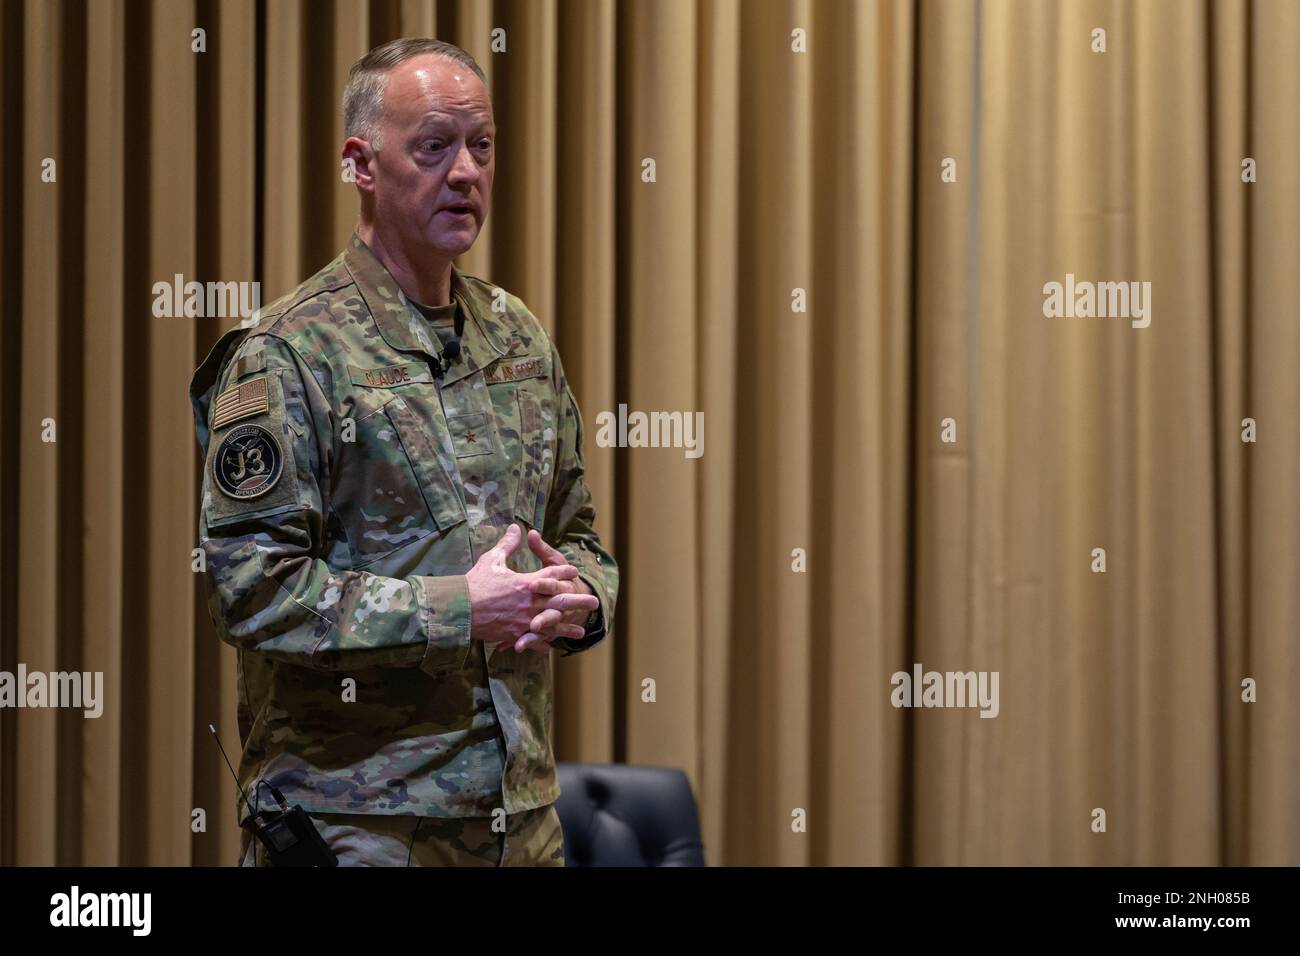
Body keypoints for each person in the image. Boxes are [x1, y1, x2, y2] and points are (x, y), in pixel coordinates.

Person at [188, 37, 618, 867]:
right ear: (361, 163)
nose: (466, 172)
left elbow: (581, 533)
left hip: (520, 823)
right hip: (357, 829)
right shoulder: (287, 352)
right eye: (434, 147)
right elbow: (253, 592)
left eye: (482, 146)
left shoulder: (518, 335)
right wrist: (462, 608)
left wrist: (583, 599)